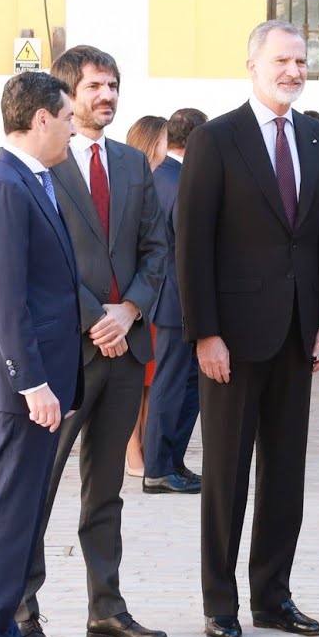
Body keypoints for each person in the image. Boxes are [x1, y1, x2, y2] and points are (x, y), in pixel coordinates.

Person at [176, 19, 319, 637]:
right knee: (225, 472)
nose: (293, 71)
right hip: (233, 338)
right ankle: (220, 601)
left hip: (299, 334)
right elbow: (191, 244)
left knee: (285, 474)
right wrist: (204, 333)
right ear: (253, 65)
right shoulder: (217, 140)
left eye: (301, 61)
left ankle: (273, 595)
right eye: (282, 60)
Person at [17, 45, 170, 637]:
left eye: (113, 85)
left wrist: (128, 311)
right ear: (65, 96)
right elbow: (41, 262)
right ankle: (22, 612)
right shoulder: (44, 164)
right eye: (95, 87)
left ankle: (106, 608)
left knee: (105, 489)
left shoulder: (135, 165)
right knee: (40, 487)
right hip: (67, 355)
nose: (107, 96)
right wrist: (94, 319)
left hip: (126, 350)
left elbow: (158, 248)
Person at [0, 71, 79, 637]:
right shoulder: (7, 187)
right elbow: (6, 301)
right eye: (67, 118)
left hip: (35, 387)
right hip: (19, 392)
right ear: (39, 120)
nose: (73, 128)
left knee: (20, 517)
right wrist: (33, 383)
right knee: (7, 519)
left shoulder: (30, 179)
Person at [142, 107, 209, 495]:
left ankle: (169, 464)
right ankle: (160, 467)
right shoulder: (182, 181)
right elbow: (189, 247)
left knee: (180, 383)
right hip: (177, 299)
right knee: (173, 384)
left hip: (168, 297)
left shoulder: (162, 175)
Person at [121, 114, 171, 479]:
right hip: (141, 294)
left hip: (157, 292)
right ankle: (131, 449)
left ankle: (140, 445)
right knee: (138, 380)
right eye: (167, 138)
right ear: (155, 141)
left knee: (150, 380)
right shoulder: (140, 181)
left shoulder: (155, 178)